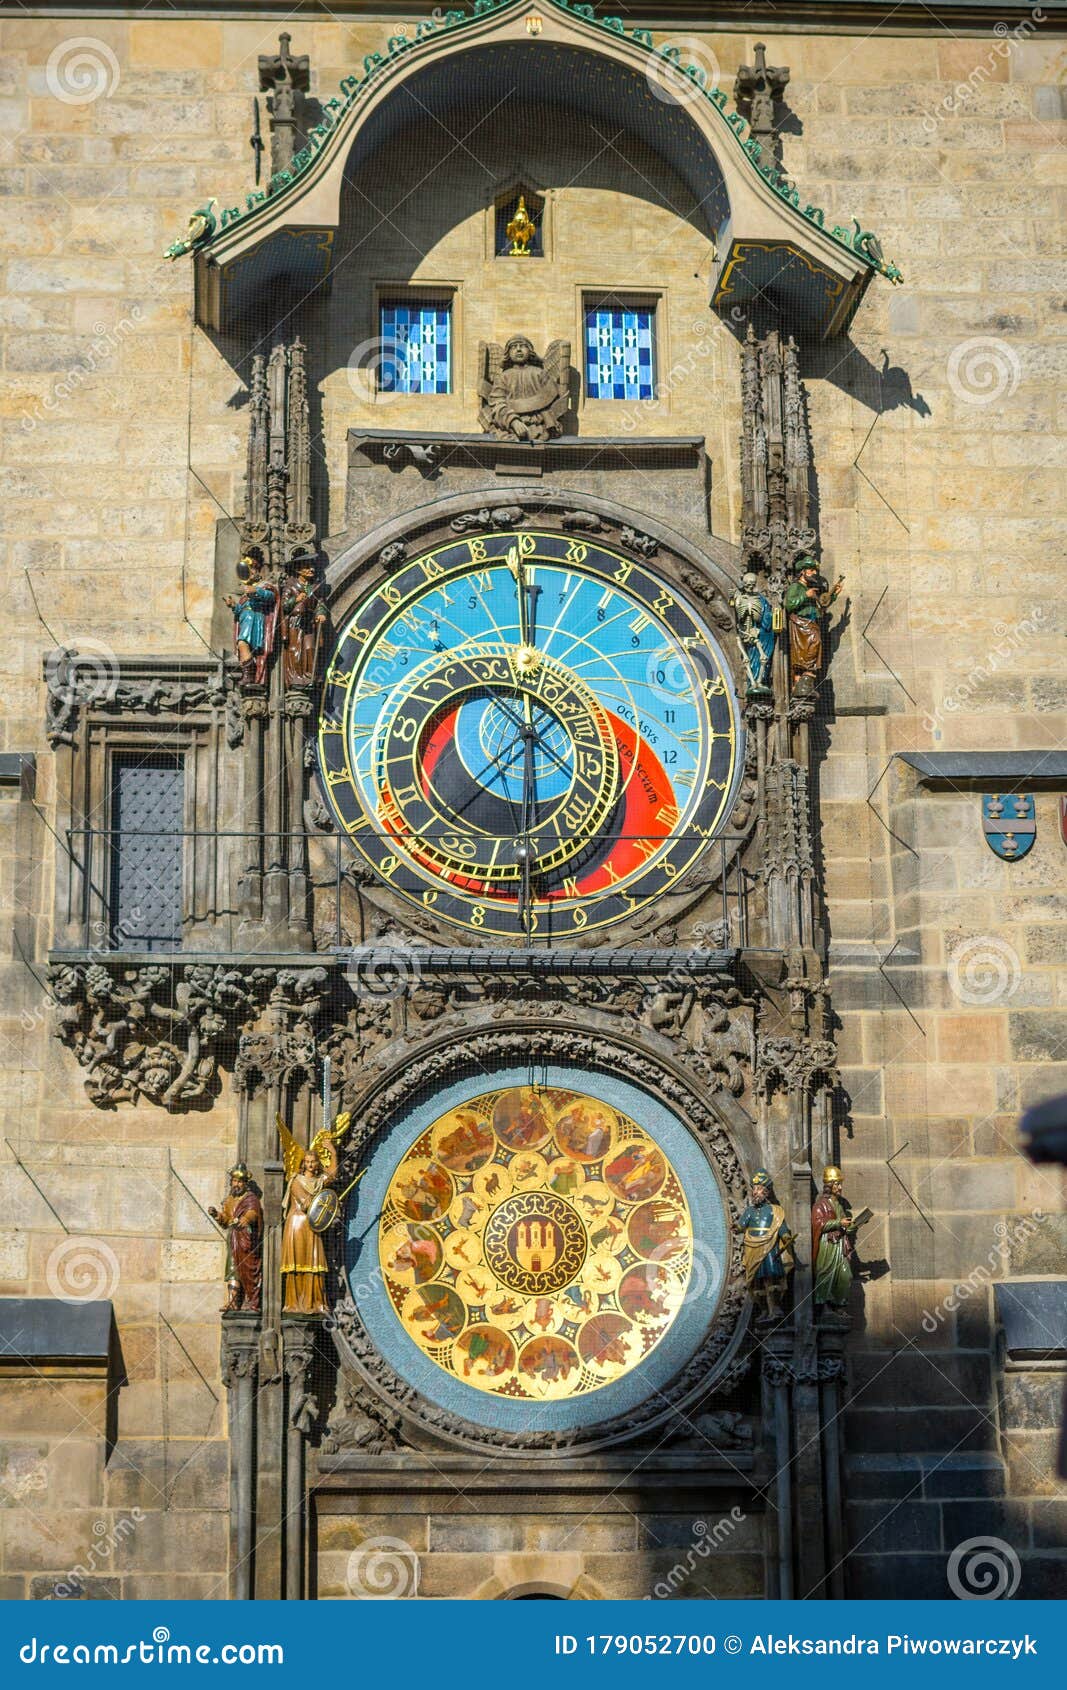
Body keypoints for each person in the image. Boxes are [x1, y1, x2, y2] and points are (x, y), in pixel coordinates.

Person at [281, 1138, 337, 1314]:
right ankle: (295, 1303)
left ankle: (316, 1302)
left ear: (317, 1163)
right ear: (302, 1164)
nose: (310, 1165)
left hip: (313, 1226)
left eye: (313, 1162)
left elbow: (333, 1174)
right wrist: (322, 1202)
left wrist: (333, 1151)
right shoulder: (296, 1181)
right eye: (307, 1162)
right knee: (298, 1263)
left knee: (315, 1262)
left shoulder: (319, 1181)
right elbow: (306, 1203)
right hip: (297, 1224)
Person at [736, 1169, 794, 1316]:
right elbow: (741, 1226)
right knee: (757, 1282)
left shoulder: (774, 1211)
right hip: (753, 1249)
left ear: (766, 1192)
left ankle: (774, 1307)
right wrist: (736, 1228)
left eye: (759, 1189)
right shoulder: (749, 1211)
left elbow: (780, 1226)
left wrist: (786, 1237)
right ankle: (763, 1310)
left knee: (772, 1279)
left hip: (769, 1248)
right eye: (754, 1189)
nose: (755, 1192)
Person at [784, 555, 843, 694]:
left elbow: (821, 606)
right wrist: (805, 595)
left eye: (815, 570)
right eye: (811, 570)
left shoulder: (812, 589)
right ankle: (799, 679)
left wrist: (833, 595)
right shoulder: (796, 587)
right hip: (800, 624)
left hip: (811, 624)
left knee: (814, 645)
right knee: (807, 649)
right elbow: (789, 604)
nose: (814, 573)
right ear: (803, 571)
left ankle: (804, 676)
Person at [209, 1163, 263, 1313]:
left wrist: (244, 1220)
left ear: (245, 1183)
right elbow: (226, 1221)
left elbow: (253, 1213)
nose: (237, 1184)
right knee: (233, 1270)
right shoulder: (229, 1200)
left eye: (240, 1181)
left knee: (249, 1270)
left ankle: (252, 1301)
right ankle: (232, 1302)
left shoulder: (251, 1198)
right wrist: (217, 1215)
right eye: (234, 1181)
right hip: (233, 1240)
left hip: (246, 1241)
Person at [226, 548, 279, 687]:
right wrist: (233, 606)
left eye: (251, 569)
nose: (250, 573)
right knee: (242, 645)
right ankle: (248, 674)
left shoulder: (263, 586)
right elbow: (240, 610)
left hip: (255, 618)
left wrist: (257, 591)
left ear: (256, 570)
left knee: (242, 643)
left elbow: (271, 597)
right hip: (245, 619)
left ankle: (250, 673)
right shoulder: (246, 591)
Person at [811, 1164, 857, 1309]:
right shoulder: (820, 1205)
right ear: (829, 1186)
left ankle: (839, 1305)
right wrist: (839, 1223)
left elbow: (843, 1225)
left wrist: (852, 1226)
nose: (840, 1188)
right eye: (837, 1184)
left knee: (846, 1275)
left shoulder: (839, 1205)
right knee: (826, 1275)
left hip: (840, 1244)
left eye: (840, 1184)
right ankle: (825, 1308)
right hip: (828, 1244)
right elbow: (818, 1224)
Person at [280, 550, 326, 688]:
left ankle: (309, 676)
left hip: (309, 623)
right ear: (298, 570)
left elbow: (320, 603)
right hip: (295, 623)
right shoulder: (291, 586)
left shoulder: (314, 587)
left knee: (310, 648)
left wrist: (321, 613)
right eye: (307, 567)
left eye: (312, 566)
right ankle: (297, 677)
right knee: (295, 649)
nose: (311, 569)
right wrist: (295, 599)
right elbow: (284, 605)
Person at [730, 571, 775, 694]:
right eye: (746, 584)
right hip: (746, 634)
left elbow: (766, 617)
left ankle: (760, 681)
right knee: (751, 657)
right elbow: (738, 618)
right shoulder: (738, 598)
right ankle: (753, 682)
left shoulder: (761, 600)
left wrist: (773, 614)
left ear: (755, 584)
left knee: (762, 656)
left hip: (759, 633)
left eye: (752, 584)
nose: (749, 586)